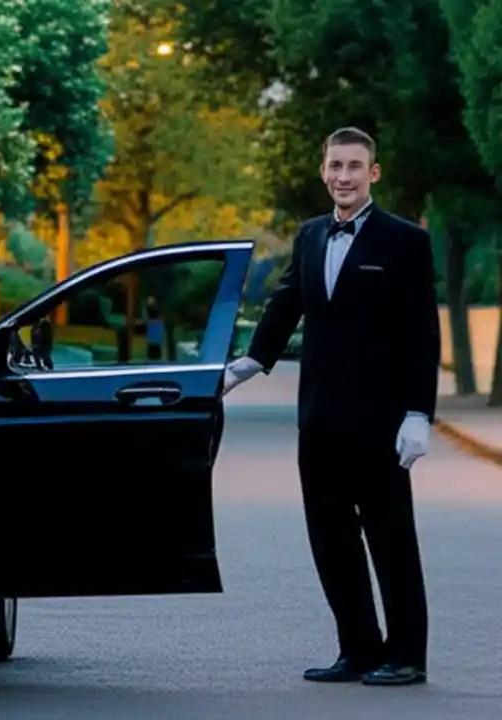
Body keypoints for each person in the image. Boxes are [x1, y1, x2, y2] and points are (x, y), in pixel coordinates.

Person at [224, 126, 438, 686]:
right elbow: (287, 300)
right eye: (335, 166)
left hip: (381, 421)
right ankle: (360, 649)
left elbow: (422, 333)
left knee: (391, 541)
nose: (344, 176)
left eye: (354, 166)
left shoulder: (405, 242)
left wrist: (420, 413)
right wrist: (250, 363)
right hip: (318, 420)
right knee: (332, 540)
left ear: (374, 173)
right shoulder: (311, 235)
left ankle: (408, 656)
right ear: (323, 172)